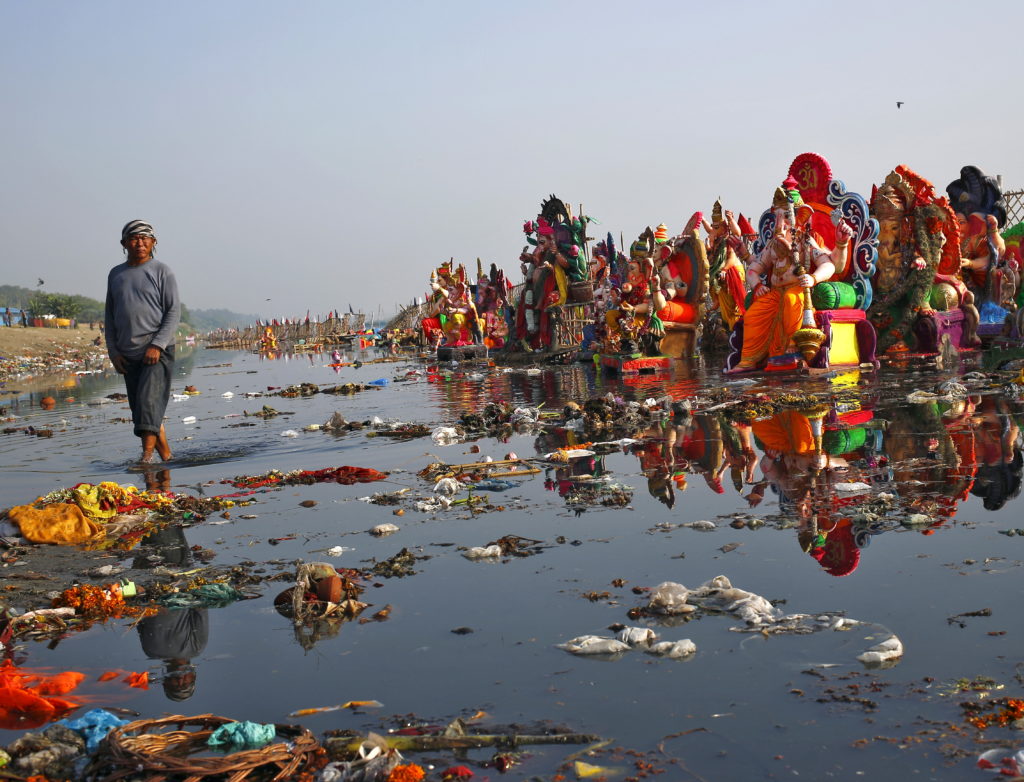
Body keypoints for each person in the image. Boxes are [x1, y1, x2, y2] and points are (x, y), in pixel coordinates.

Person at [105, 220, 180, 463]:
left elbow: (172, 312)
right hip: (128, 354)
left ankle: (146, 458)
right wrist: (113, 351)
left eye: (145, 238)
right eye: (134, 238)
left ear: (153, 243)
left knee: (148, 405)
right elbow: (110, 315)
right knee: (142, 412)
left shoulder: (162, 271)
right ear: (124, 243)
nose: (140, 243)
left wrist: (157, 345)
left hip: (157, 351)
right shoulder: (116, 274)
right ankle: (167, 458)